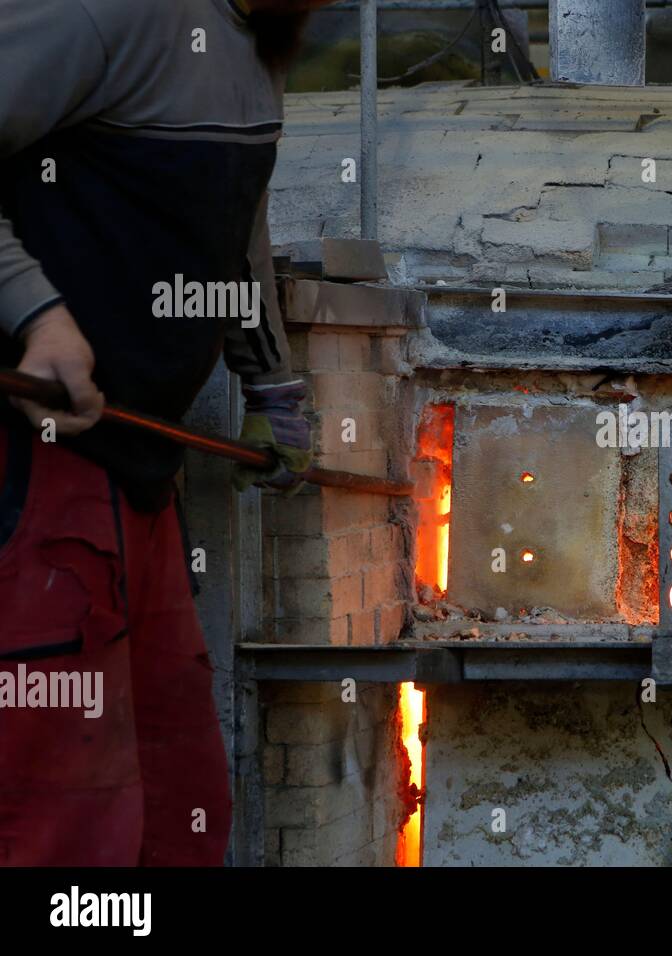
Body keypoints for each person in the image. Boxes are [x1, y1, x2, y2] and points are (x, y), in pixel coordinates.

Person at [0, 0, 331, 865]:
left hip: (139, 480)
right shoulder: (103, 13)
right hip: (32, 475)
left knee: (179, 803)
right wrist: (32, 313)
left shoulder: (262, 36)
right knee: (55, 821)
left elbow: (234, 230)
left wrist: (271, 381)